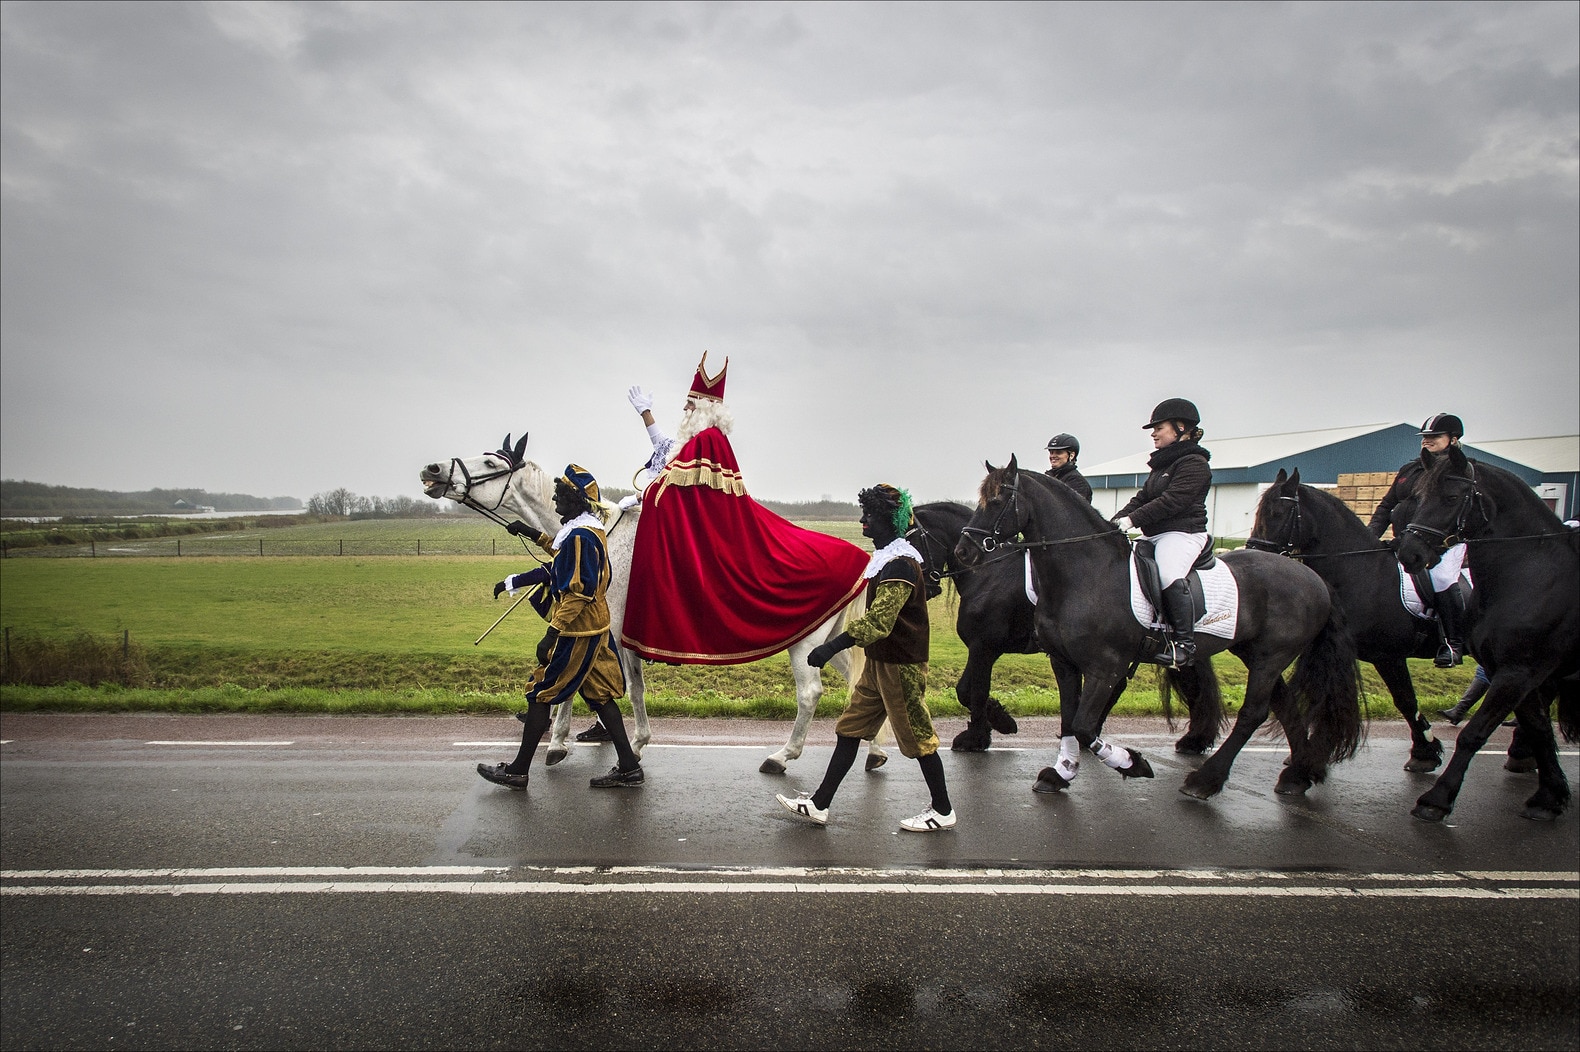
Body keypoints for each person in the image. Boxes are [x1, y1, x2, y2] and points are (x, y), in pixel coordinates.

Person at [619, 353, 870, 664]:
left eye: (690, 404)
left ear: (704, 409)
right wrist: (646, 414)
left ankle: (667, 636)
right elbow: (670, 456)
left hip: (717, 538)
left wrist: (643, 495)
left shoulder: (706, 441)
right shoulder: (704, 439)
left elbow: (670, 484)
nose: (684, 409)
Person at [776, 484, 956, 832]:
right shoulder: (888, 561)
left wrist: (831, 646)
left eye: (869, 517)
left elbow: (879, 622)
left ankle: (943, 809)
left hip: (900, 666)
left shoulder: (900, 566)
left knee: (919, 737)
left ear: (889, 521)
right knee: (850, 730)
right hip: (878, 664)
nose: (862, 522)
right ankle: (819, 804)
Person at [477, 464, 644, 790]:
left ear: (576, 501)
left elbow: (579, 590)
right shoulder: (589, 531)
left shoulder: (581, 537)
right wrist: (530, 533)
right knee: (600, 698)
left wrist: (551, 633)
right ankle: (629, 767)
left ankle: (518, 770)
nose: (554, 502)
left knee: (540, 693)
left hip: (576, 632)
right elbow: (562, 553)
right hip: (595, 628)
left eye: (560, 497)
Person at [1111, 398, 1212, 669]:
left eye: (1159, 428)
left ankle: (1184, 645)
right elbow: (1143, 497)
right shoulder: (1163, 465)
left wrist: (1132, 520)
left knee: (1168, 573)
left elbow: (1172, 501)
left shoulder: (1194, 463)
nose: (1153, 433)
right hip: (1154, 535)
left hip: (1183, 533)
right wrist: (1114, 522)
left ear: (1181, 428)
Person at [1368, 413, 1469, 667]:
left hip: (1443, 545)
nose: (1427, 441)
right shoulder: (1409, 469)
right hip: (1407, 543)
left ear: (1453, 439)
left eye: (1434, 436)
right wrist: (1369, 538)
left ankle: (1452, 643)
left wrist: (1406, 539)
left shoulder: (1455, 471)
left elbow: (1435, 512)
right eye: (1424, 437)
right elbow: (1387, 506)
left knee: (1442, 578)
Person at [1044, 433, 1093, 503]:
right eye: (1051, 452)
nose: (1053, 456)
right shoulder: (1050, 477)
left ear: (1072, 455)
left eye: (1058, 452)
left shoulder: (1077, 482)